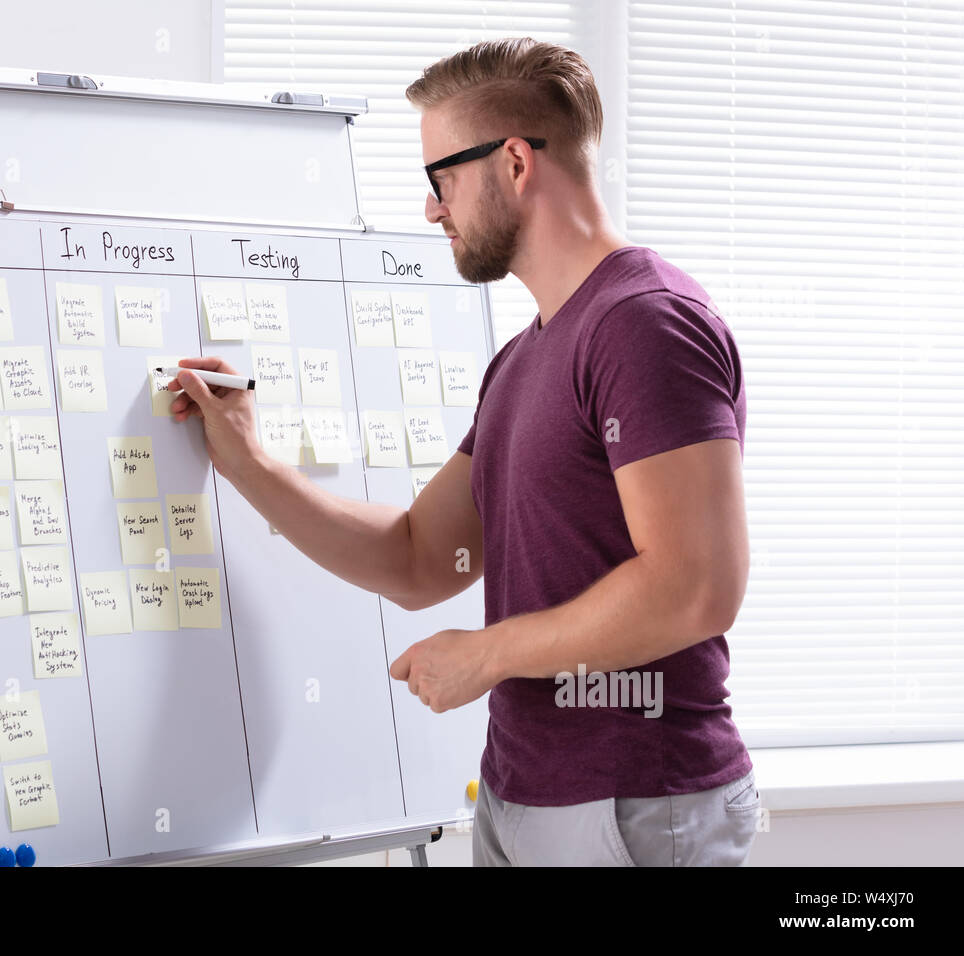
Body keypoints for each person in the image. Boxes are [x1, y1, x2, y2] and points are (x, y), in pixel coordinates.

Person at [166, 37, 758, 867]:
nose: (431, 208)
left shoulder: (644, 325)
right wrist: (249, 463)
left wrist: (484, 655)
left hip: (633, 804)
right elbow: (419, 558)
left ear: (514, 163)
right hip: (519, 795)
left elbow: (696, 587)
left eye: (440, 178)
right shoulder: (522, 360)